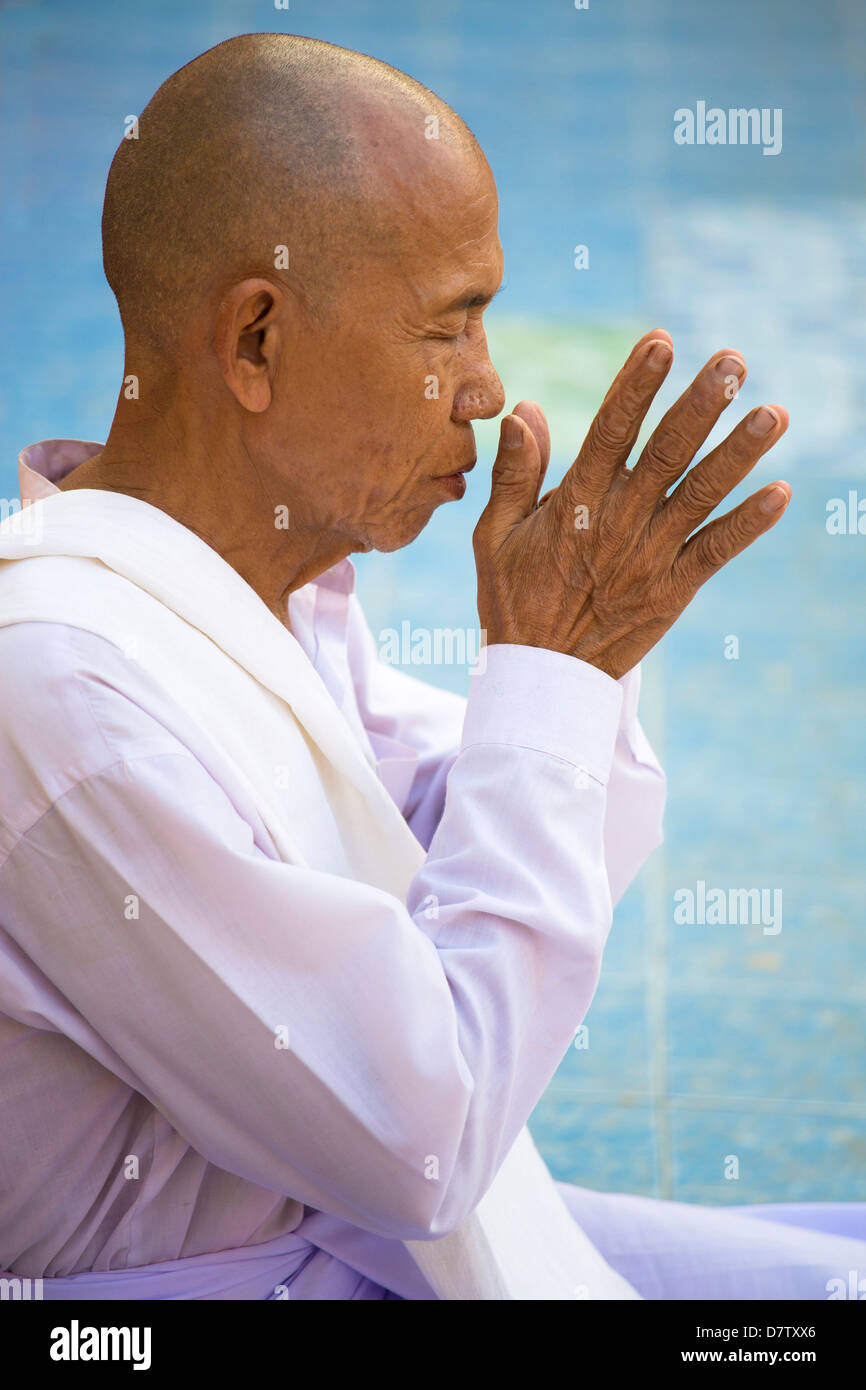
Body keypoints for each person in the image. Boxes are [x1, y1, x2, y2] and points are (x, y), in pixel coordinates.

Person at [0, 32, 863, 1301]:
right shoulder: (66, 699)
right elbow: (423, 1142)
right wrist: (545, 671)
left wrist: (576, 657)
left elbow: (502, 853)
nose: (485, 387)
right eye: (446, 326)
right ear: (254, 339)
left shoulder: (252, 597)